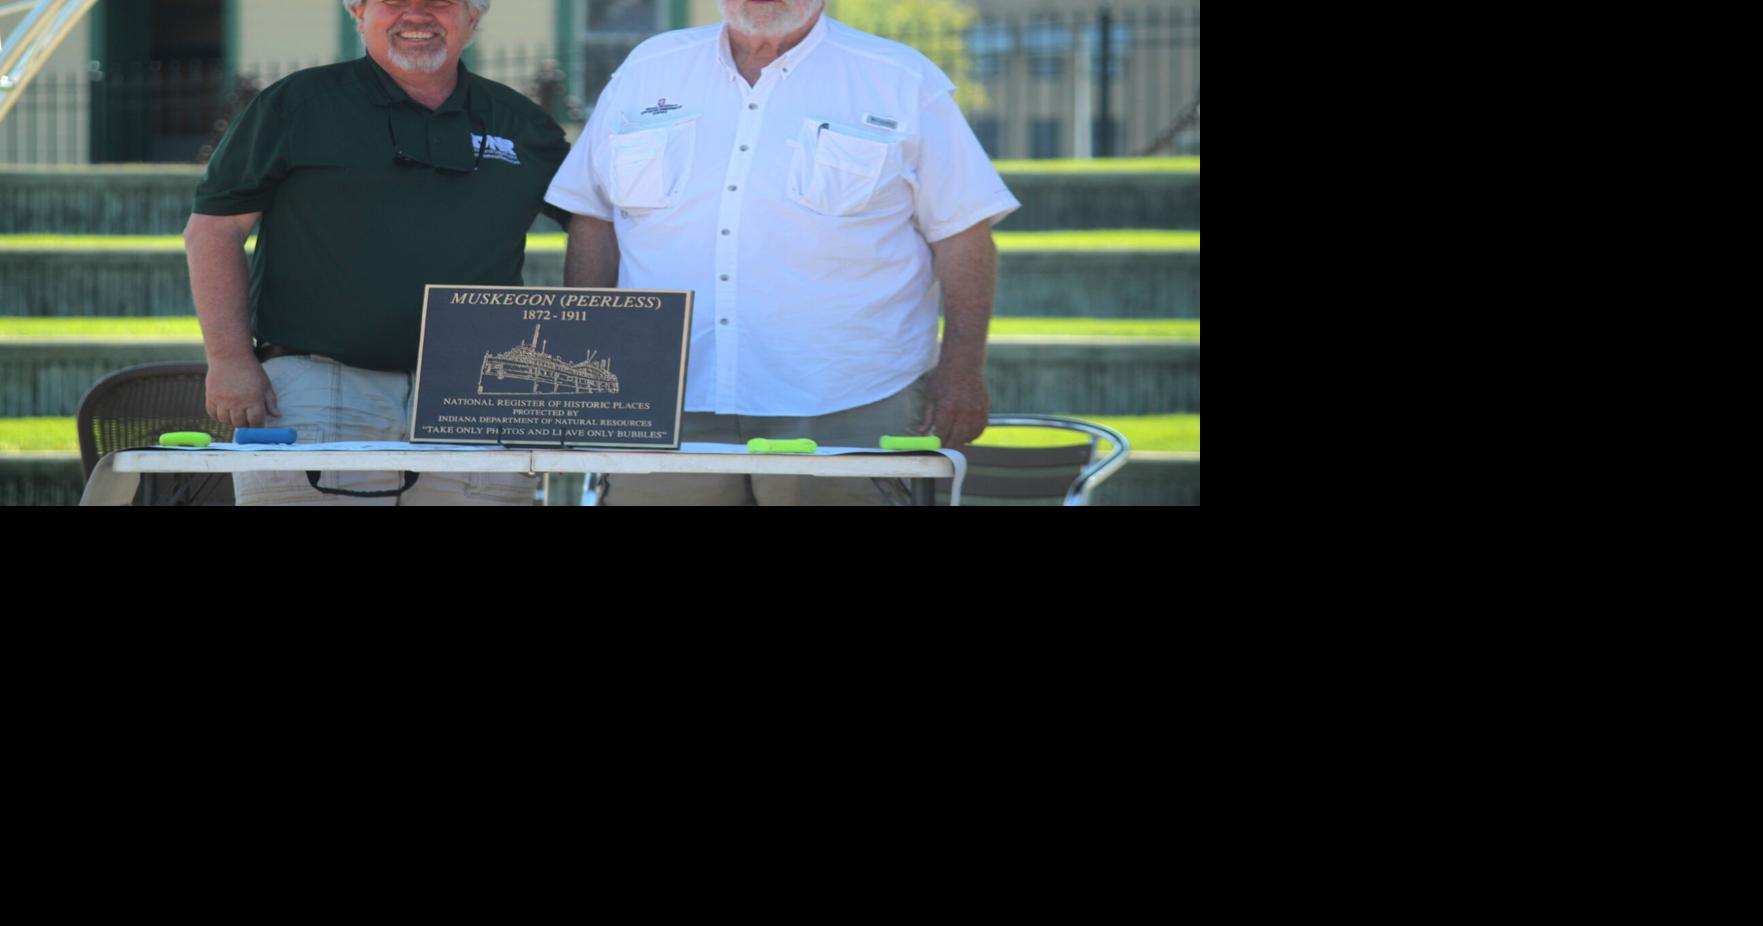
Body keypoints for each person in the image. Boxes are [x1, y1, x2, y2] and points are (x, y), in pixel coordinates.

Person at [545, 0, 1020, 505]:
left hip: (846, 398)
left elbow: (963, 232)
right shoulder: (648, 67)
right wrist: (586, 350)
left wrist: (962, 370)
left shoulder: (900, 78)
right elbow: (594, 216)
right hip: (662, 395)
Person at [184, 0, 571, 505]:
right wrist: (229, 359)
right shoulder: (297, 104)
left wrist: (588, 344)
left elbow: (597, 219)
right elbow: (213, 230)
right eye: (393, 0)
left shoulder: (524, 125)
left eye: (440, 1)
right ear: (359, 12)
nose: (417, 14)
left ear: (474, 16)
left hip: (478, 394)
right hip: (318, 387)